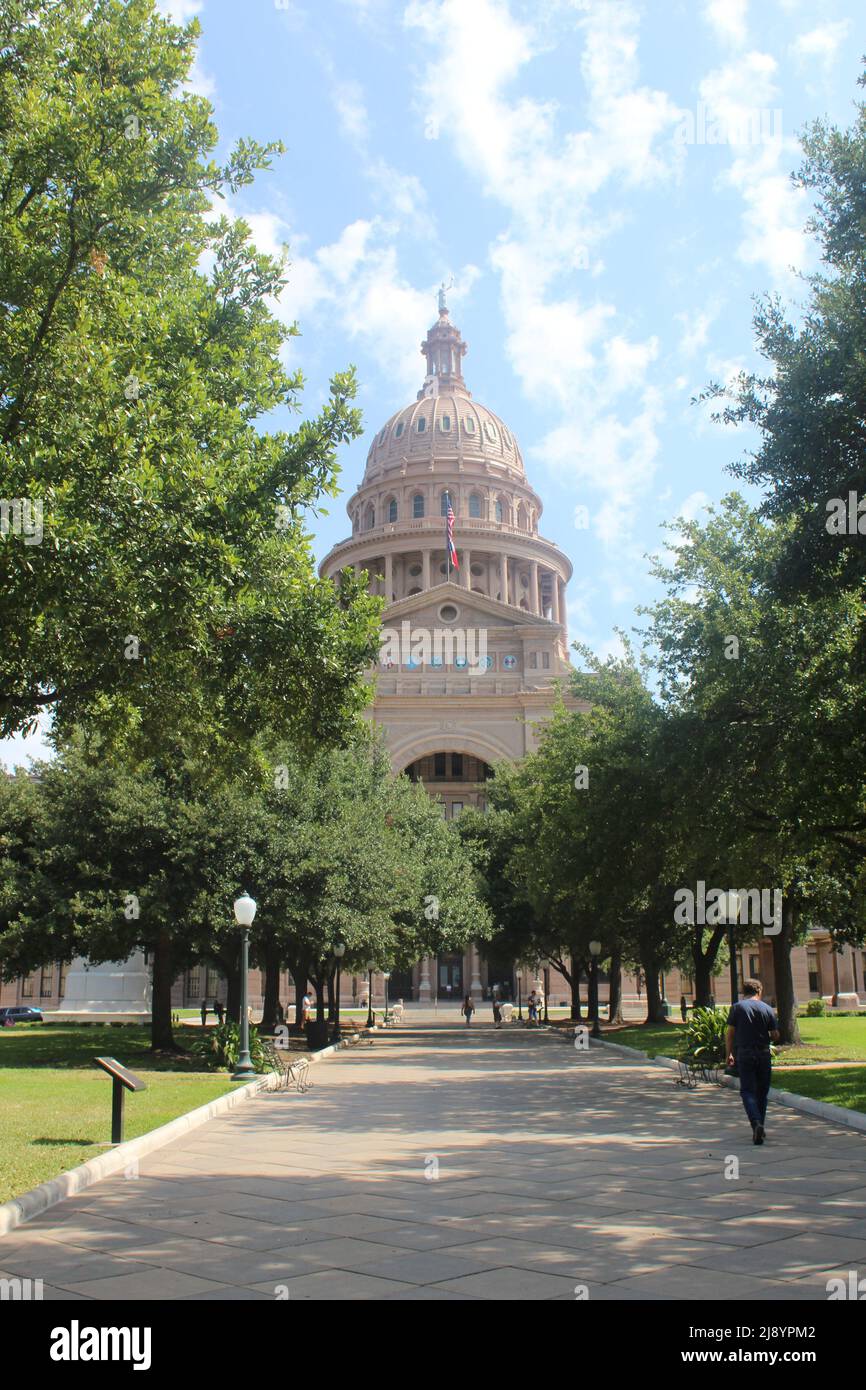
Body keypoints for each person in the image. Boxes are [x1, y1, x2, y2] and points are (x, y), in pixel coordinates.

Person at [726, 979, 780, 1145]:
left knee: (748, 1091)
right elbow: (775, 1034)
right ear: (759, 991)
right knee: (762, 1092)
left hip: (745, 1053)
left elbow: (730, 1033)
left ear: (744, 991)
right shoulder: (767, 1008)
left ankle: (756, 1123)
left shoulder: (737, 1007)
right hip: (764, 1053)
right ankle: (760, 1125)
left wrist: (728, 1054)